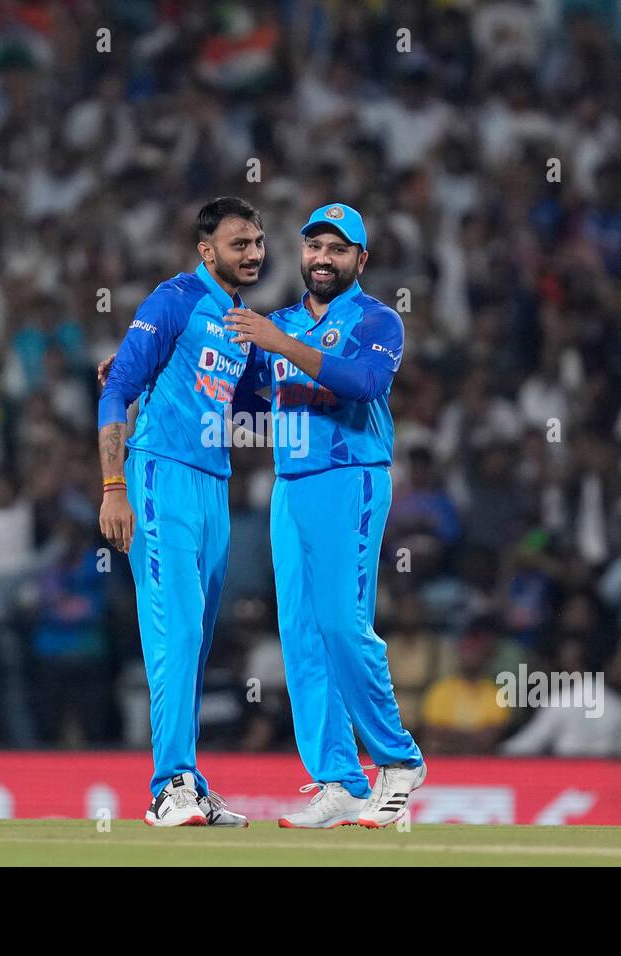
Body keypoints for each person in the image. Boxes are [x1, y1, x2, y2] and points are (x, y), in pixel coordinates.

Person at [223, 202, 426, 828]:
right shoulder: (278, 320)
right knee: (303, 639)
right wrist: (141, 380)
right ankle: (338, 778)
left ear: (360, 261)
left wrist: (280, 344)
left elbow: (362, 384)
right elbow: (231, 380)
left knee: (343, 623)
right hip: (291, 485)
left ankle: (398, 760)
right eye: (315, 246)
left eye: (338, 249)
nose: (322, 258)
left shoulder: (377, 320)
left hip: (351, 479)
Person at [97, 197, 266, 827]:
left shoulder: (240, 321)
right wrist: (114, 486)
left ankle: (189, 778)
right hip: (158, 480)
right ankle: (168, 787)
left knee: (195, 645)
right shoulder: (173, 299)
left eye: (257, 243)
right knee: (179, 632)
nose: (253, 253)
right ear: (207, 251)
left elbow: (254, 406)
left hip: (213, 488)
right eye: (239, 243)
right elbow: (117, 390)